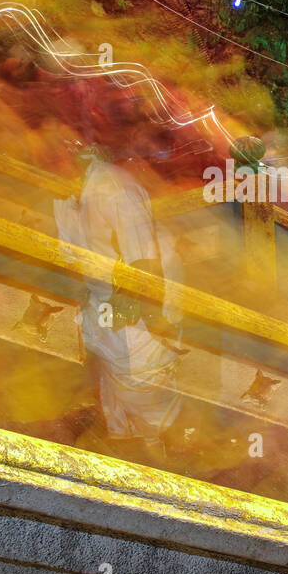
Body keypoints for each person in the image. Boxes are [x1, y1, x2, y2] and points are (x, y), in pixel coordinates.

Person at [54, 137, 184, 460]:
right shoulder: (64, 196)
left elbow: (142, 252)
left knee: (142, 374)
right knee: (110, 373)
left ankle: (166, 451)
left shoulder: (113, 187)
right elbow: (69, 253)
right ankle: (126, 449)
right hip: (102, 293)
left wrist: (140, 307)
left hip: (142, 289)